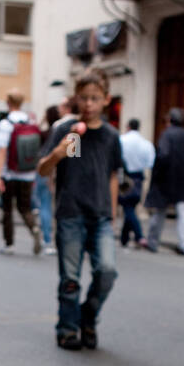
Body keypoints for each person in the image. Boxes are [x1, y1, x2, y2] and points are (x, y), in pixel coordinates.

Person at [36, 68, 121, 350]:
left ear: (106, 99)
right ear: (76, 99)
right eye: (84, 98)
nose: (88, 104)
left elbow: (111, 175)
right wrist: (60, 151)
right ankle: (68, 328)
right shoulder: (67, 131)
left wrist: (113, 212)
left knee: (107, 271)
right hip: (71, 213)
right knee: (70, 280)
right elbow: (43, 169)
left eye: (95, 98)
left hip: (100, 217)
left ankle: (88, 316)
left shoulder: (110, 136)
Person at [144, 108, 184, 254]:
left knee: (160, 211)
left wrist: (157, 172)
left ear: (170, 120)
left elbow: (163, 155)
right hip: (182, 177)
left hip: (167, 178)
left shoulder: (166, 134)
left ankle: (152, 242)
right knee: (182, 211)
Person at [0, 89, 43, 255]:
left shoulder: (6, 124)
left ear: (8, 102)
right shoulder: (29, 121)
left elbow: (2, 151)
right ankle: (34, 228)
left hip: (10, 173)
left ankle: (9, 244)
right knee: (25, 207)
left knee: (7, 209)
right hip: (28, 173)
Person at [118, 118, 154, 248]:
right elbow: (150, 163)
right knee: (130, 205)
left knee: (128, 206)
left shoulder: (122, 140)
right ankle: (124, 237)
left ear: (128, 127)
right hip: (138, 177)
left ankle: (138, 235)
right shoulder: (146, 144)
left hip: (126, 177)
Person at [34, 105, 62, 254]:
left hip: (47, 171)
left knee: (45, 205)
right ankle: (51, 240)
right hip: (54, 172)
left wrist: (43, 120)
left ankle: (47, 239)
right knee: (49, 205)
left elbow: (36, 132)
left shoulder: (47, 132)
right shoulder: (62, 129)